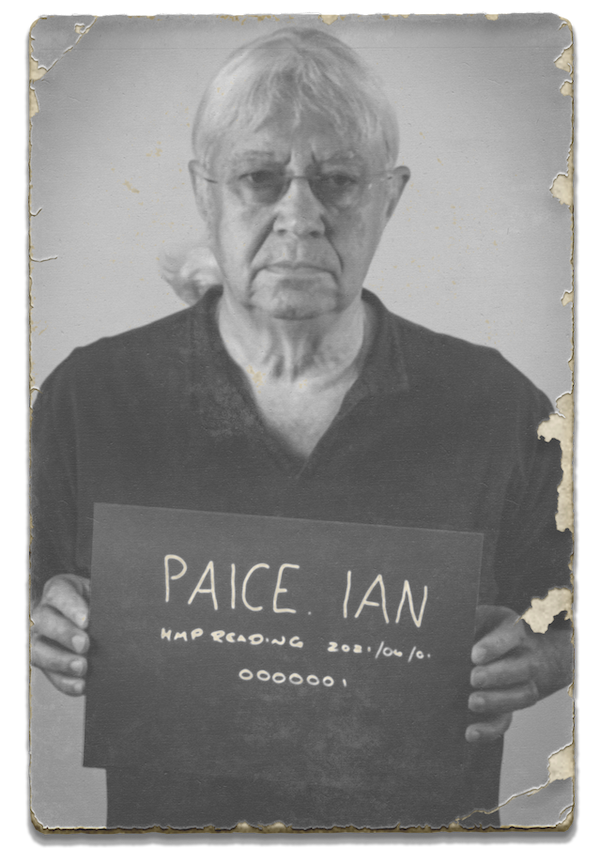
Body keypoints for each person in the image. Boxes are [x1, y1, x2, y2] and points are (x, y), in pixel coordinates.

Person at [31, 27, 572, 829]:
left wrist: (540, 658)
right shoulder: (91, 396)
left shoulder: (499, 407)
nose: (300, 216)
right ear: (204, 190)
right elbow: (36, 583)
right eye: (259, 177)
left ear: (390, 197)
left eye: (339, 180)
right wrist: (47, 619)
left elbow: (566, 615)